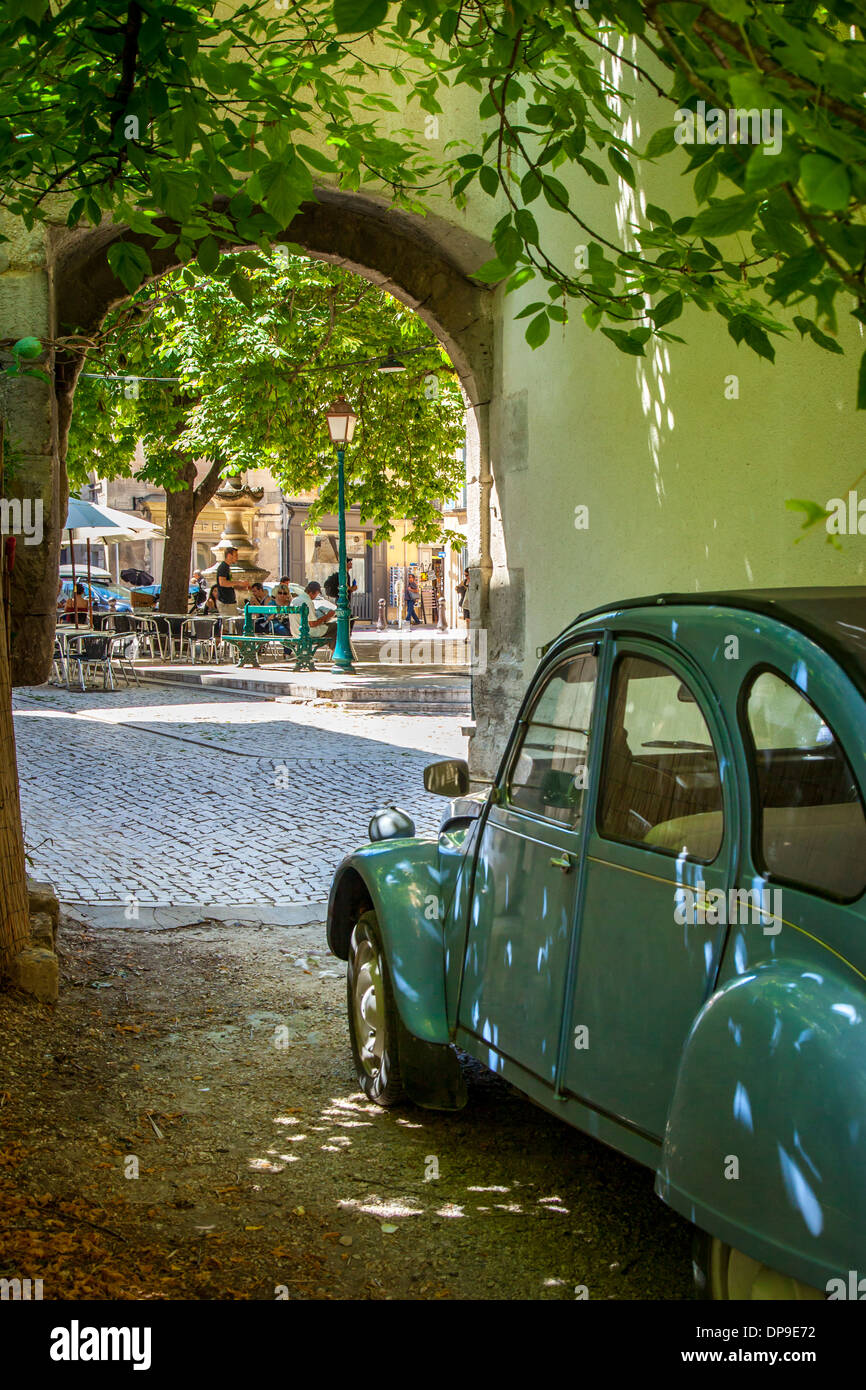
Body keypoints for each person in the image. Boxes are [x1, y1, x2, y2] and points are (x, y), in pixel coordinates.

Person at [290, 580, 337, 651]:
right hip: (306, 633)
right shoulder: (308, 602)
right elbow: (312, 624)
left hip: (295, 632)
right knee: (336, 626)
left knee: (331, 630)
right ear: (313, 593)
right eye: (317, 594)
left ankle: (333, 650)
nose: (316, 596)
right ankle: (335, 652)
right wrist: (327, 616)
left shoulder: (295, 600)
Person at [215, 546, 248, 617]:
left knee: (231, 625)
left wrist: (240, 587)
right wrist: (239, 582)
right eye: (235, 555)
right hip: (225, 603)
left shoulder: (227, 567)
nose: (237, 558)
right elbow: (222, 583)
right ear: (229, 555)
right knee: (228, 626)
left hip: (229, 602)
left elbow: (229, 584)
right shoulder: (223, 567)